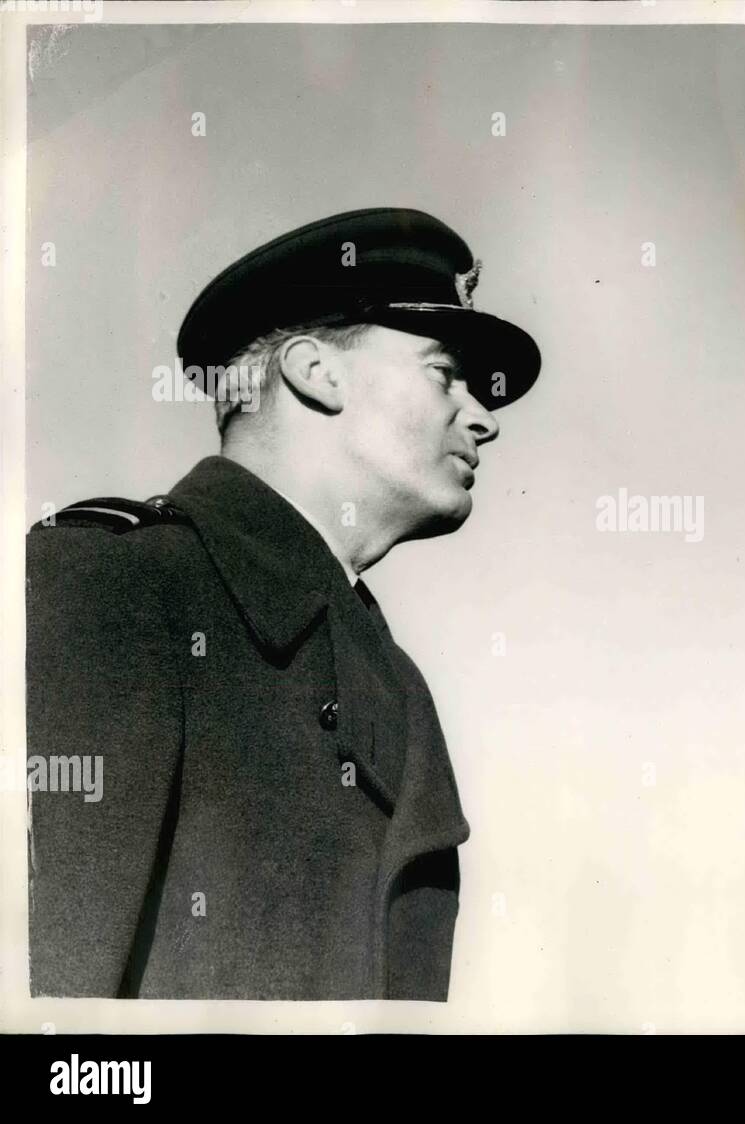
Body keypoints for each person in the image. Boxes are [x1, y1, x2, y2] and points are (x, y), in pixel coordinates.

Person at [27, 207, 540, 1000]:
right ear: (315, 372)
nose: (483, 417)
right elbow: (51, 1009)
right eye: (446, 373)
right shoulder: (115, 590)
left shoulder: (396, 683)